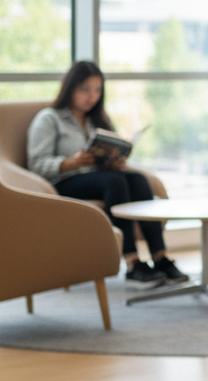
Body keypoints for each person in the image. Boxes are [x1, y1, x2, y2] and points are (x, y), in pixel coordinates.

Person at [27, 61, 188, 287]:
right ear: (70, 88)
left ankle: (160, 258)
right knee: (115, 182)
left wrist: (115, 160)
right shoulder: (49, 119)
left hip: (99, 178)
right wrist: (69, 163)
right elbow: (36, 164)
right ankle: (132, 263)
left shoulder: (99, 120)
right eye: (85, 89)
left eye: (97, 90)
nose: (91, 96)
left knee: (138, 180)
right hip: (63, 182)